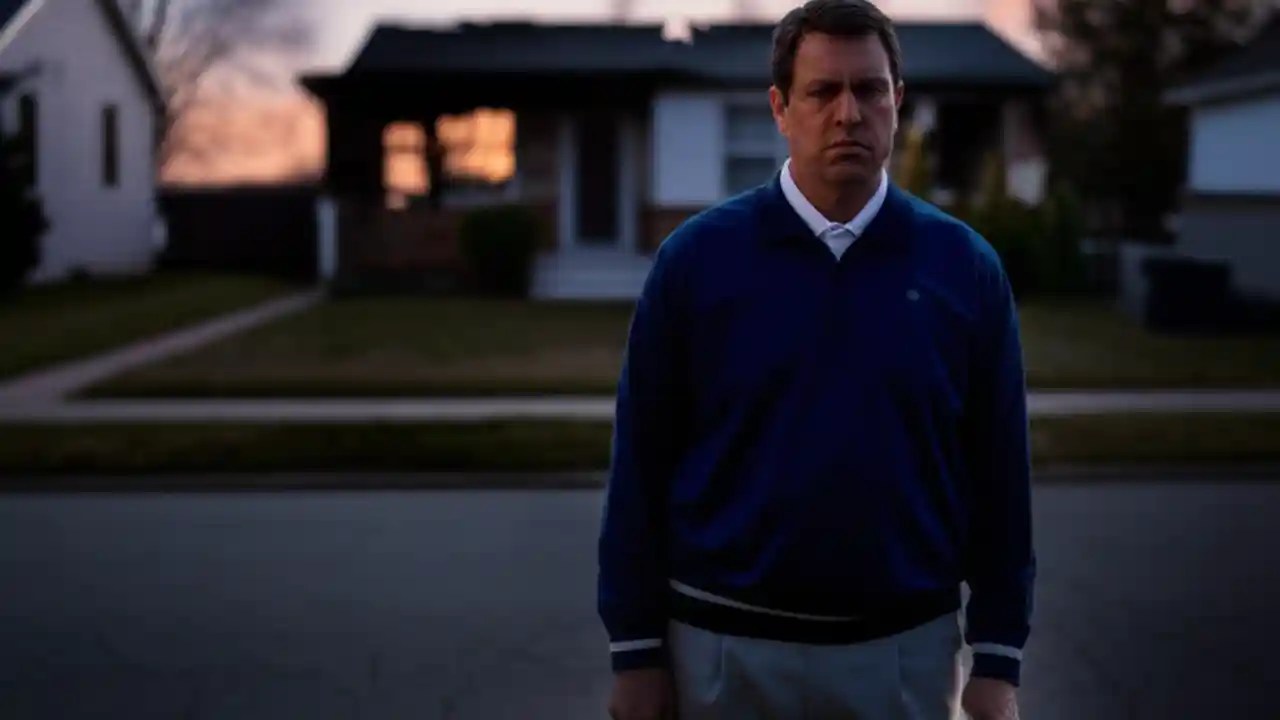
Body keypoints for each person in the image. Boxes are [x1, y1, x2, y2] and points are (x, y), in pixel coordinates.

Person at [596, 0, 1036, 718]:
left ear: (898, 102)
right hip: (719, 649)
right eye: (823, 91)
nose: (848, 113)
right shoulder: (696, 262)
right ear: (780, 107)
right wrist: (636, 650)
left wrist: (998, 658)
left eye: (869, 90)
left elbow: (1000, 476)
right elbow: (640, 464)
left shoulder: (966, 269)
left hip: (904, 656)